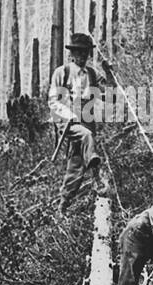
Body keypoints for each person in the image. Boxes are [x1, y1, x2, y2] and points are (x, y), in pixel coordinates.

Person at [48, 32, 112, 213]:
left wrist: (108, 71)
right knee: (87, 136)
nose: (82, 56)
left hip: (87, 118)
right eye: (79, 52)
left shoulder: (92, 73)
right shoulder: (62, 72)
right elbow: (53, 100)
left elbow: (109, 90)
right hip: (67, 119)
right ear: (72, 54)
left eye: (86, 53)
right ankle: (96, 170)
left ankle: (63, 204)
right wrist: (68, 115)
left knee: (76, 163)